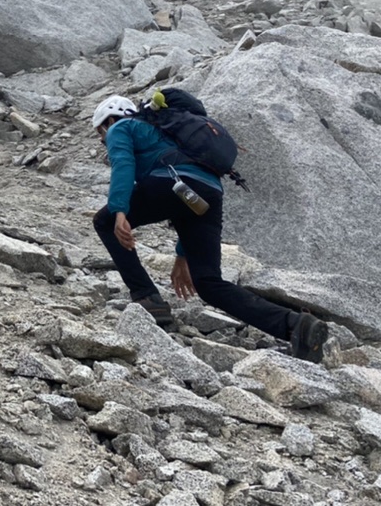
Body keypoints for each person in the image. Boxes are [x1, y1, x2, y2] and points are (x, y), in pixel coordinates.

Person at [90, 95, 329, 363]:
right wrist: (183, 255)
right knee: (208, 283)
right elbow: (184, 195)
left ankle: (148, 299)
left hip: (171, 184)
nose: (103, 139)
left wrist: (119, 210)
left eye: (101, 131)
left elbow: (124, 164)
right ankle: (296, 325)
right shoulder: (164, 130)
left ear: (110, 120)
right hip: (208, 193)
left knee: (104, 222)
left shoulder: (122, 127)